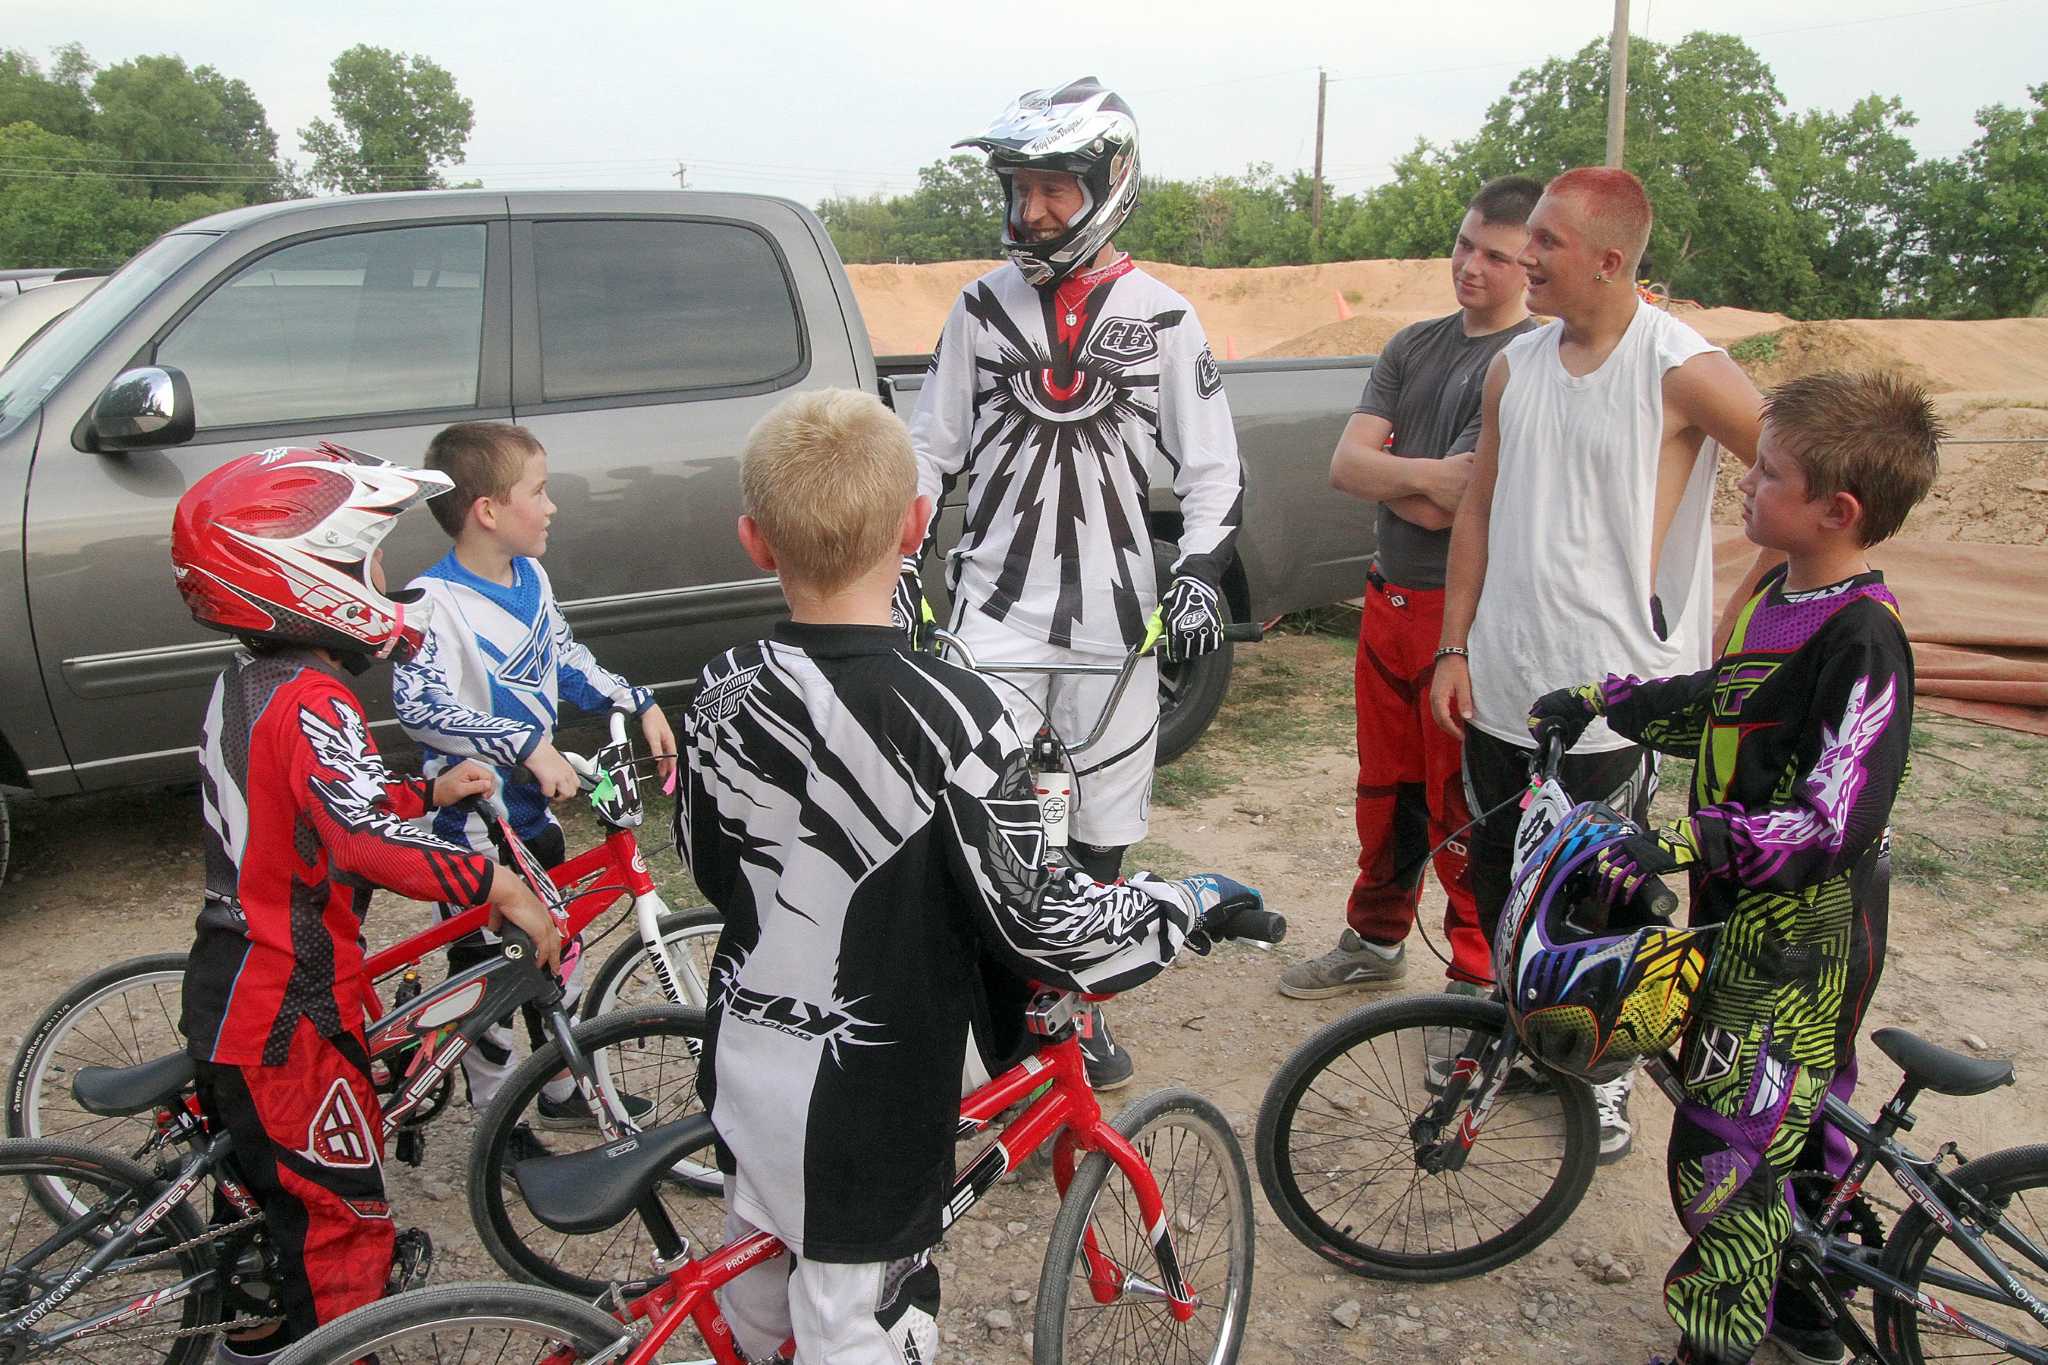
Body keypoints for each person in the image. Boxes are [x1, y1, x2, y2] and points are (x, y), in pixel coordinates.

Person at [675, 388, 1254, 1364]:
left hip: (744, 1064)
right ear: (913, 524)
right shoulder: (974, 721)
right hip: (872, 1108)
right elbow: (1051, 927)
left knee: (760, 1304)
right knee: (855, 1328)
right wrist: (1184, 905)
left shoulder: (721, 685)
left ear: (752, 540)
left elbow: (707, 863)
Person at [1525, 370, 1941, 1365]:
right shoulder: (1778, 592)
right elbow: (1724, 695)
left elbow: (1833, 817)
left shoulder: (1861, 637)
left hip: (1804, 940)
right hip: (1740, 913)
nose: (1742, 486)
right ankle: (1808, 1295)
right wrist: (1600, 700)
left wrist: (1684, 843)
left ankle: (1716, 1336)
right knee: (1791, 1125)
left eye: (1766, 475)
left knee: (1723, 1145)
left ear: (1834, 512)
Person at [171, 443, 562, 1360]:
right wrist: (498, 882)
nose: (383, 584)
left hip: (234, 979)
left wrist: (424, 792)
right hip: (289, 1008)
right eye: (368, 564)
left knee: (274, 1225)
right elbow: (359, 842)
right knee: (343, 1235)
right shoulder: (314, 700)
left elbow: (310, 811)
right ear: (311, 575)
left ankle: (262, 1337)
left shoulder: (249, 682)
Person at [901, 76, 1245, 1090]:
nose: (1032, 210)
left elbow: (1214, 468)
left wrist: (1196, 579)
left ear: (1107, 182)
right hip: (992, 614)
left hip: (1113, 624)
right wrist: (891, 560)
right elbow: (928, 453)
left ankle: (1073, 1014)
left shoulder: (1166, 317)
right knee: (978, 820)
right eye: (1019, 187)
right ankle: (982, 1017)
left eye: (1053, 187)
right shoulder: (976, 307)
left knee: (1100, 827)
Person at [1429, 166, 1770, 1162]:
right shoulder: (1515, 367)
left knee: (1606, 895)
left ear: (1610, 261)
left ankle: (1605, 1075)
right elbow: (1478, 510)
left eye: (1543, 243)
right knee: (1499, 878)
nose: (1521, 259)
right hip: (1501, 685)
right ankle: (1524, 1036)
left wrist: (1743, 627)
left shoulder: (1680, 368)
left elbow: (1795, 487)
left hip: (1615, 701)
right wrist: (1453, 646)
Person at [1280, 174, 1543, 1004]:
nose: (1471, 266)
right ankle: (1375, 936)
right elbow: (1345, 466)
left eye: (1495, 256)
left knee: (1459, 800)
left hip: (1458, 615)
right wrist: (1420, 477)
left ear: (1531, 263)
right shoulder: (1412, 345)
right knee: (1383, 788)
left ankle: (1475, 975)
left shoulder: (1524, 360)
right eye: (1466, 244)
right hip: (1386, 599)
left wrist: (1392, 478)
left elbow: (1458, 506)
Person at [392, 422, 675, 1123]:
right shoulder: (430, 603)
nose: (551, 507)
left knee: (561, 954)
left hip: (533, 821)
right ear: (489, 510)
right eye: (538, 492)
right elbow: (418, 704)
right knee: (488, 983)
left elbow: (562, 656)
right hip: (471, 834)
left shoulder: (531, 576)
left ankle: (559, 1088)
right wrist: (523, 742)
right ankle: (501, 1122)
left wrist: (633, 698)